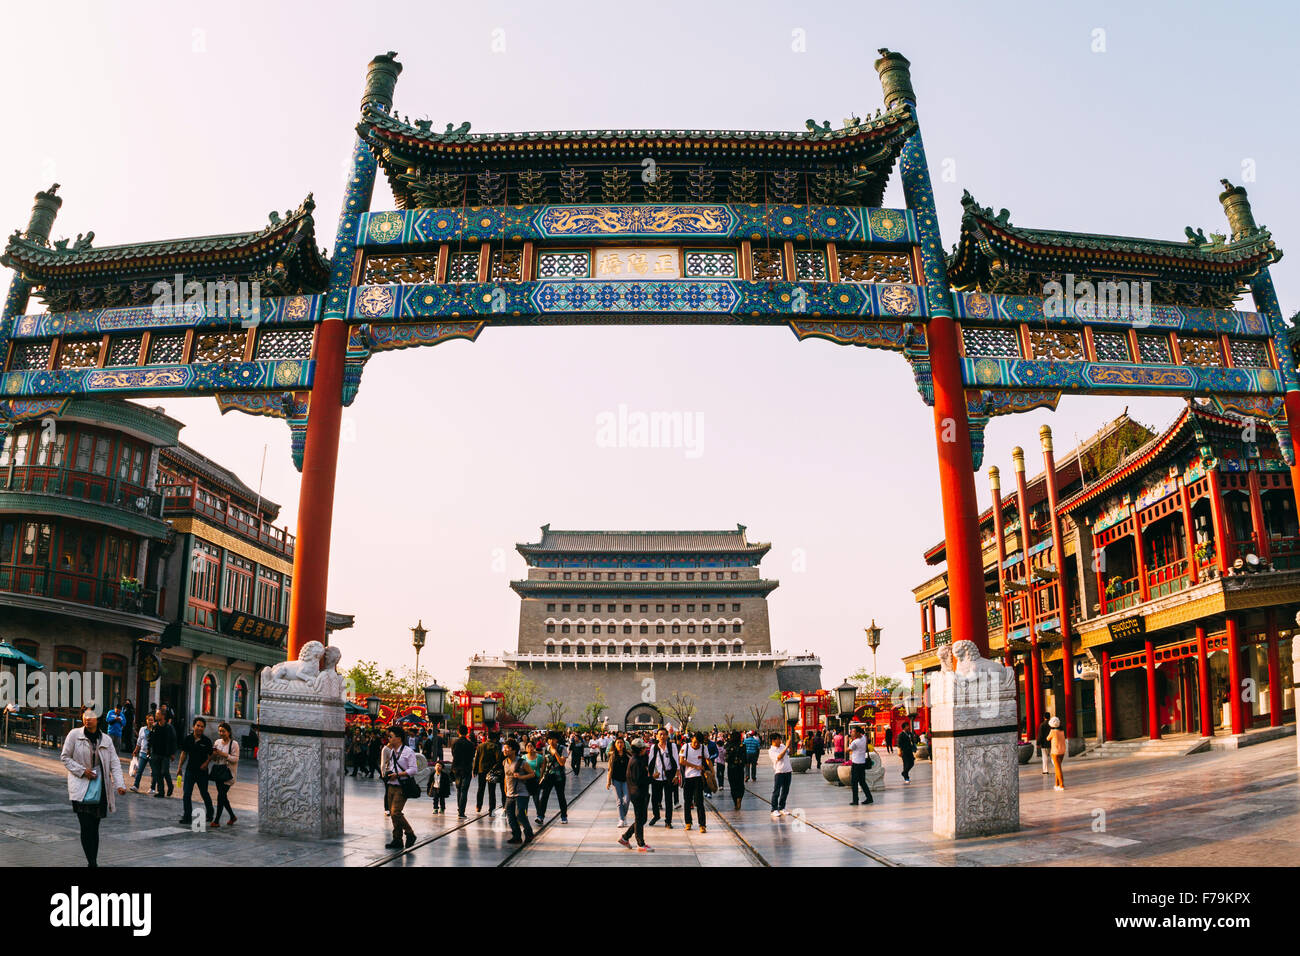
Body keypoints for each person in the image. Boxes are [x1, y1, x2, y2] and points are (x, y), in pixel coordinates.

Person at [61, 708, 126, 867]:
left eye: (91, 716)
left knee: (94, 827)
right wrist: (83, 771)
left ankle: (92, 862)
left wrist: (120, 785)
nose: (88, 719)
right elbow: (65, 757)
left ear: (98, 718)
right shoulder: (74, 735)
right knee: (85, 825)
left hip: (100, 787)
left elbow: (114, 763)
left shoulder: (106, 740)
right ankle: (92, 863)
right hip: (80, 787)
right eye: (85, 715)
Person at [380, 726, 418, 848]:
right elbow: (391, 766)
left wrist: (398, 775)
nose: (389, 738)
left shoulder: (408, 752)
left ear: (399, 738)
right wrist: (389, 774)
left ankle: (410, 833)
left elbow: (413, 769)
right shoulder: (391, 751)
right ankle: (397, 839)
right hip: (391, 785)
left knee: (396, 812)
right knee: (392, 813)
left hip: (402, 786)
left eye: (390, 736)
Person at [617, 737, 654, 852]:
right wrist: (652, 778)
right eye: (643, 748)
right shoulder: (636, 762)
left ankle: (625, 837)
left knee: (642, 819)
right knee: (640, 819)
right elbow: (639, 780)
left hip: (639, 793)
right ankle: (640, 844)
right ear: (640, 749)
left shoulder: (637, 759)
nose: (645, 750)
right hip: (638, 793)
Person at [177, 717, 214, 826]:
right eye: (198, 726)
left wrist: (206, 763)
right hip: (190, 770)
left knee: (204, 793)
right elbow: (184, 753)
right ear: (193, 726)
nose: (200, 728)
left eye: (202, 726)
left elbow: (210, 755)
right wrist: (179, 767)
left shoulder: (206, 741)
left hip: (202, 772)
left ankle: (210, 813)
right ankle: (187, 816)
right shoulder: (188, 739)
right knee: (187, 794)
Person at [502, 740, 535, 844]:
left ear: (514, 750)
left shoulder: (521, 762)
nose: (505, 750)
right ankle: (516, 836)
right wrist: (505, 789)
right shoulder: (504, 762)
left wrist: (521, 777)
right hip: (509, 794)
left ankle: (529, 833)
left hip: (522, 793)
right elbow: (505, 777)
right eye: (504, 748)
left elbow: (532, 774)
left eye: (507, 748)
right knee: (510, 816)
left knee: (520, 814)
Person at [647, 727, 679, 828]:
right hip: (657, 777)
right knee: (655, 799)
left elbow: (676, 761)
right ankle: (656, 816)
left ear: (667, 735)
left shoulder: (672, 746)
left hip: (668, 777)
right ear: (657, 736)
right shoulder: (654, 747)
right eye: (660, 734)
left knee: (669, 800)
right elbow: (650, 762)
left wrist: (676, 775)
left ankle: (668, 821)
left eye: (664, 734)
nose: (662, 736)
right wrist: (651, 775)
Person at [535, 731, 569, 824]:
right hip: (548, 775)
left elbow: (562, 763)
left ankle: (564, 816)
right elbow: (544, 764)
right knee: (544, 796)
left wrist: (555, 753)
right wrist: (541, 777)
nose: (551, 741)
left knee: (561, 796)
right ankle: (540, 816)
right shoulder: (545, 749)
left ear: (557, 739)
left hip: (560, 776)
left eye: (553, 739)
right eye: (549, 739)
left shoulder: (562, 748)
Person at [209, 721, 240, 826]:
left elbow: (235, 759)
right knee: (223, 796)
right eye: (220, 731)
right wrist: (213, 754)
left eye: (224, 731)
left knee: (221, 796)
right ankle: (232, 816)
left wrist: (223, 754)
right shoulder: (217, 742)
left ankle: (216, 820)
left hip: (228, 774)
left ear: (229, 732)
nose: (221, 733)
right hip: (219, 772)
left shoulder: (234, 744)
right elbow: (214, 759)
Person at [680, 731, 710, 834]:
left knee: (699, 802)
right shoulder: (686, 747)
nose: (696, 745)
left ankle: (702, 825)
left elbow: (707, 760)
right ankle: (688, 822)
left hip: (698, 778)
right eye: (695, 742)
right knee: (687, 801)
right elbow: (681, 761)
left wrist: (711, 772)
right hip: (688, 778)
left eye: (698, 743)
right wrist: (696, 766)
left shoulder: (703, 748)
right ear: (692, 739)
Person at [473, 729, 502, 815]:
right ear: (495, 739)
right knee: (491, 791)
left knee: (480, 789)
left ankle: (478, 806)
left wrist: (474, 770)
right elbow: (498, 760)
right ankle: (491, 809)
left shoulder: (480, 746)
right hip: (491, 772)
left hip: (481, 770)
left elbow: (476, 759)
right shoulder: (495, 747)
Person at [149, 708, 177, 797]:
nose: (156, 715)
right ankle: (161, 792)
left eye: (157, 714)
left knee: (164, 772)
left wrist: (172, 753)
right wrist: (148, 750)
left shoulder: (169, 727)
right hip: (155, 753)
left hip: (166, 754)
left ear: (163, 716)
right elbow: (150, 739)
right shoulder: (154, 726)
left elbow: (173, 740)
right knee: (157, 773)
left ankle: (170, 786)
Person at [606, 736, 631, 827]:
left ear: (624, 744)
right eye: (618, 743)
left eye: (621, 743)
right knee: (619, 800)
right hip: (616, 780)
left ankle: (623, 816)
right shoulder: (612, 755)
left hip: (626, 780)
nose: (620, 744)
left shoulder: (628, 755)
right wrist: (608, 781)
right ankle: (621, 819)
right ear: (615, 745)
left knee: (627, 799)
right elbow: (609, 769)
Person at [451, 725, 475, 818]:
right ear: (467, 733)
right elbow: (472, 756)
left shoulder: (455, 742)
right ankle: (461, 812)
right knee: (464, 791)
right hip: (467, 769)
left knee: (459, 789)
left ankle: (459, 809)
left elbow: (453, 754)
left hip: (457, 769)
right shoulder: (470, 744)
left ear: (458, 732)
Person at [847, 726, 874, 806]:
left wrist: (846, 740)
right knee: (862, 782)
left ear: (858, 733)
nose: (852, 733)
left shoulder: (856, 742)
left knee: (854, 782)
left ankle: (855, 800)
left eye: (853, 732)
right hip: (862, 763)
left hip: (856, 764)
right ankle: (869, 798)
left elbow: (846, 750)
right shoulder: (864, 738)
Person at [769, 732, 792, 818]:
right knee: (777, 791)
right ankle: (774, 809)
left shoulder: (782, 746)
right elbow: (779, 757)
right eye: (778, 739)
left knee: (785, 790)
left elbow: (789, 752)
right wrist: (786, 747)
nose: (780, 741)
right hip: (779, 772)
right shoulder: (771, 750)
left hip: (788, 771)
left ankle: (782, 807)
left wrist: (789, 744)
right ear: (773, 740)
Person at [129, 712, 154, 792]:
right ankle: (135, 785)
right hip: (143, 753)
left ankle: (152, 788)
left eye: (152, 720)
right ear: (146, 720)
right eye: (149, 720)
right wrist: (136, 750)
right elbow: (139, 742)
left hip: (152, 753)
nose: (150, 721)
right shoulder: (142, 729)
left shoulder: (155, 729)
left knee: (153, 772)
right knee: (139, 770)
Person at [724, 730, 746, 811]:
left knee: (733, 785)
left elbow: (726, 757)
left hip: (731, 768)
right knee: (740, 784)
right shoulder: (742, 746)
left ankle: (735, 802)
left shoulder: (728, 745)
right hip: (740, 768)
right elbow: (745, 758)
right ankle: (739, 797)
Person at [1048, 716, 1066, 791]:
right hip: (1062, 751)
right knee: (1057, 768)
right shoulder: (1062, 731)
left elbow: (1048, 738)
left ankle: (1061, 785)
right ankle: (1056, 784)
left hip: (1055, 751)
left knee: (1058, 768)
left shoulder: (1052, 732)